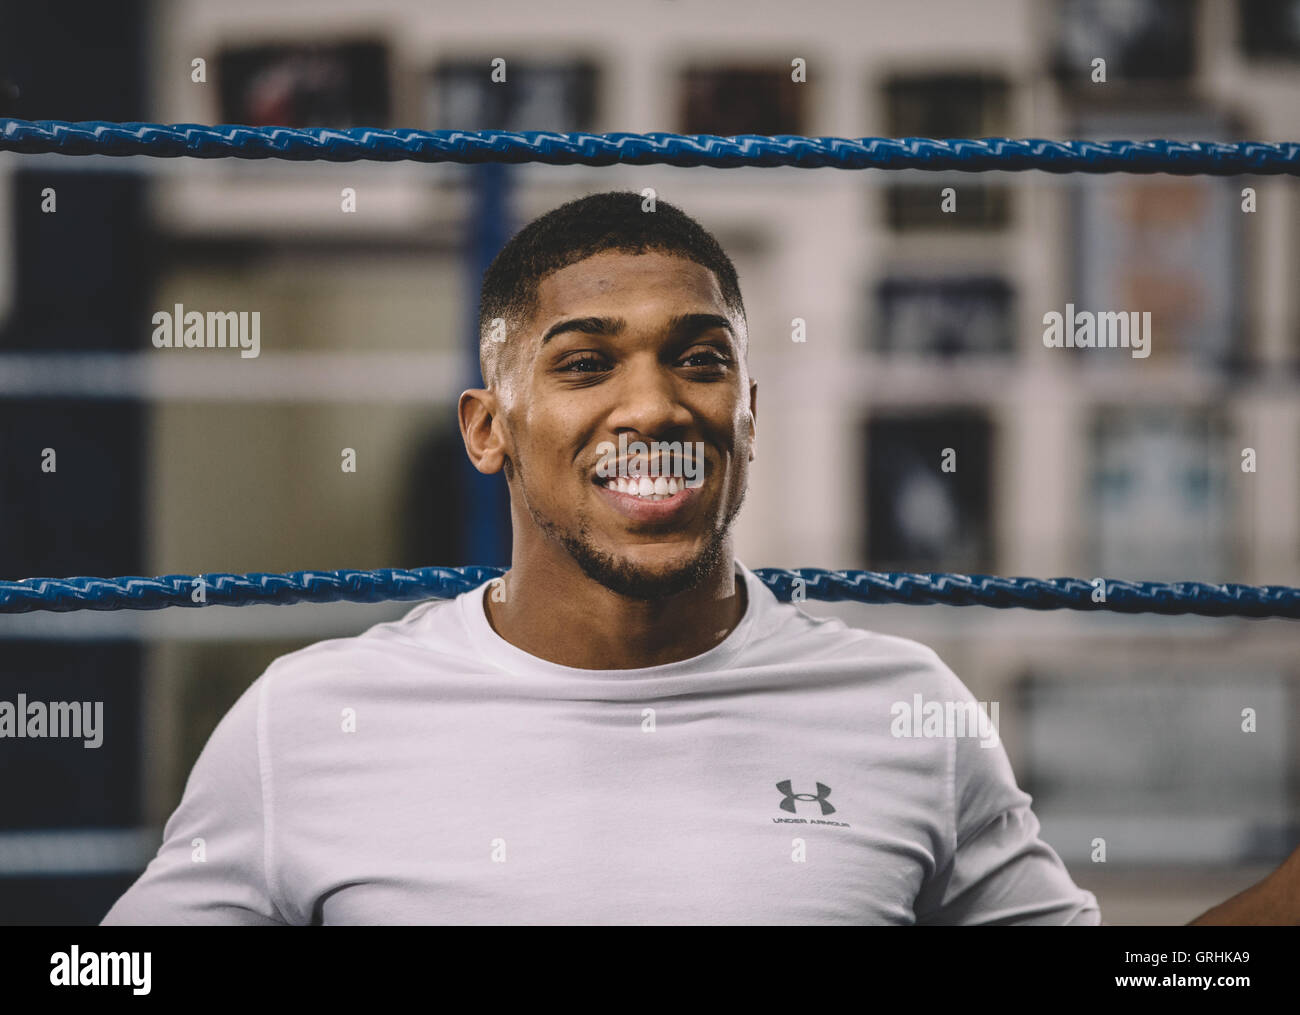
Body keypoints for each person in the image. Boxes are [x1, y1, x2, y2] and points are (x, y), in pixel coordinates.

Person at [102, 191, 1295, 925]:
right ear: (489, 429)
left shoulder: (904, 711)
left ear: (750, 413)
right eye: (582, 363)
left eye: (699, 358)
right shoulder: (312, 719)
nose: (653, 405)